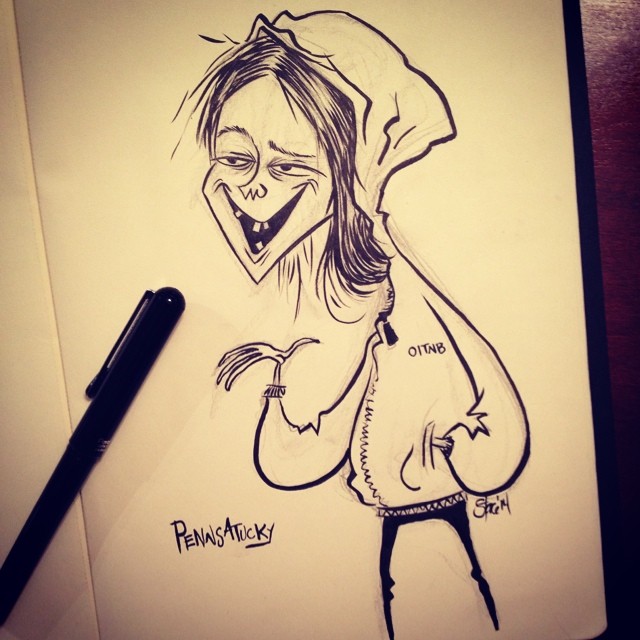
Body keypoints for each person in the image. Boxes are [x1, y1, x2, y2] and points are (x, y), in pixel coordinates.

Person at [189, 10, 529, 638]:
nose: (253, 188)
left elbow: (494, 435)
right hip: (355, 538)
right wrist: (284, 381)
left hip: (427, 514)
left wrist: (458, 444)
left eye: (287, 166)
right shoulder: (304, 281)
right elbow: (295, 457)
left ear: (350, 168)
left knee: (448, 594)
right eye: (235, 158)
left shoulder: (379, 280)